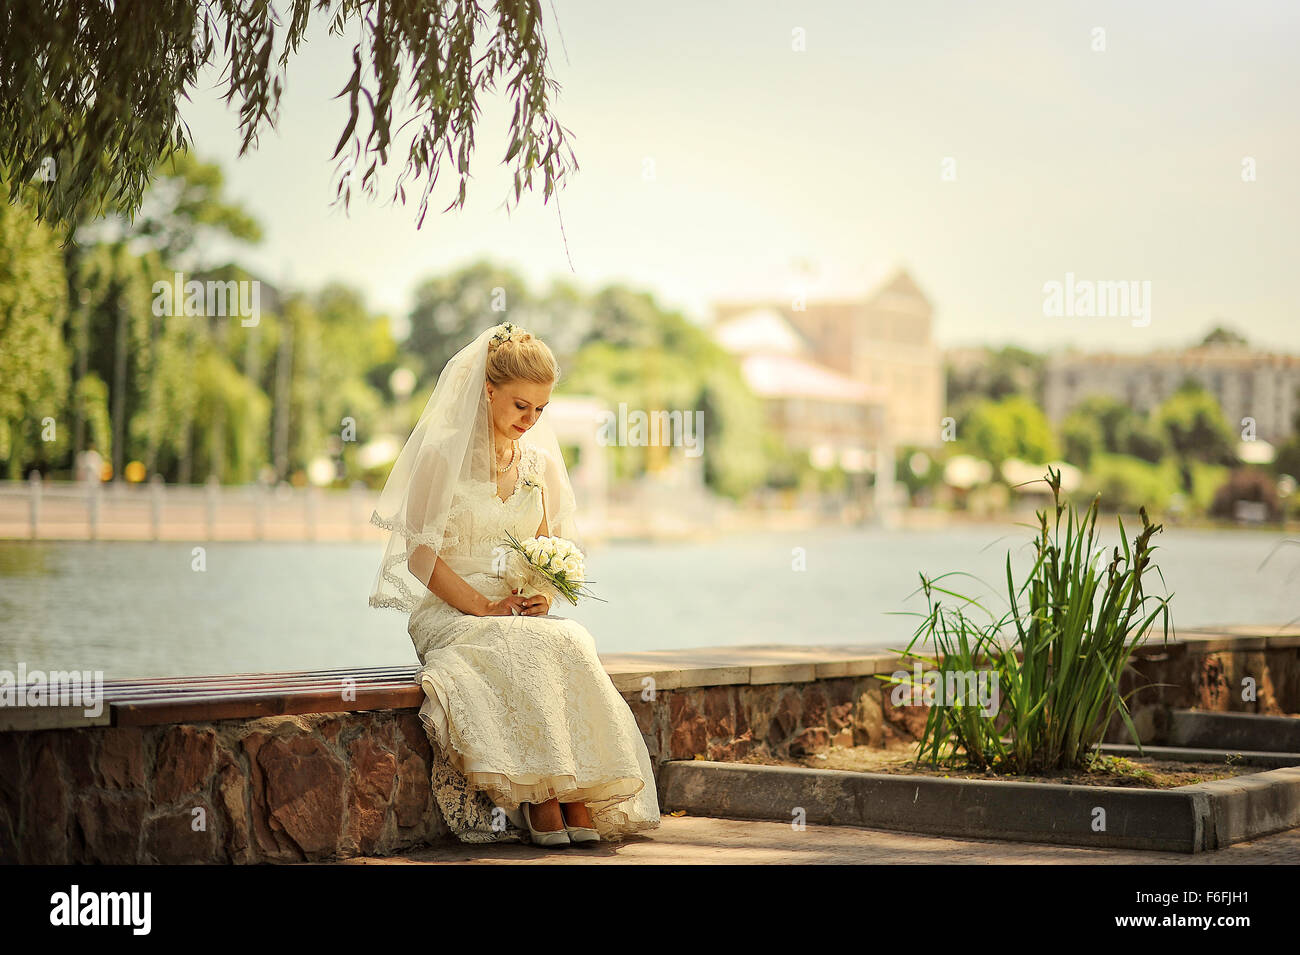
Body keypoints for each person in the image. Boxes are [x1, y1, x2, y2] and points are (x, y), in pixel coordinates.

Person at [368, 321, 661, 847]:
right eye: (521, 405)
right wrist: (482, 608)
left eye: (541, 410)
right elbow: (419, 558)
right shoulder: (441, 458)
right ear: (488, 390)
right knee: (508, 642)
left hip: (513, 609)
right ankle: (542, 796)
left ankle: (576, 785)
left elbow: (546, 548)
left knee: (570, 638)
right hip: (455, 609)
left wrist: (543, 592)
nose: (531, 420)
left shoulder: (539, 464)